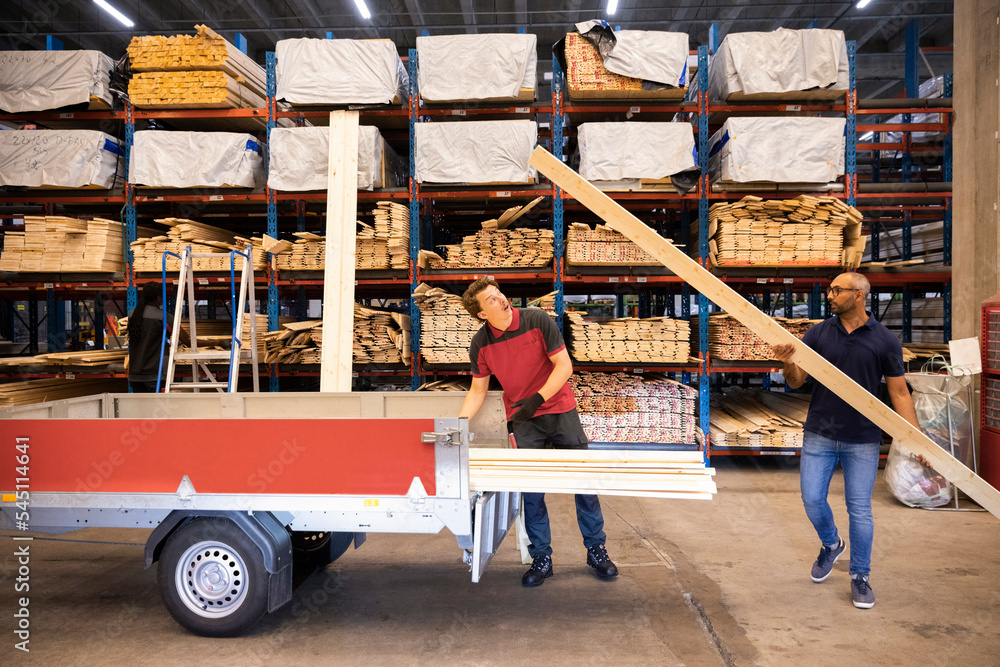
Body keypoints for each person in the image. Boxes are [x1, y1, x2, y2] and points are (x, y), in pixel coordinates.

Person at [773, 272, 920, 610]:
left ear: (859, 295)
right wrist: (787, 363)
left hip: (863, 438)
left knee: (860, 509)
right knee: (812, 499)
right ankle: (831, 544)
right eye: (830, 289)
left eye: (837, 290)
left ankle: (860, 576)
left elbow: (899, 392)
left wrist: (915, 440)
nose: (830, 295)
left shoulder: (884, 340)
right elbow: (797, 382)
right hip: (820, 432)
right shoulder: (819, 333)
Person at [458, 277, 618, 587]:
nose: (501, 299)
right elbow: (478, 390)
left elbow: (564, 366)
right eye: (491, 299)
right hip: (524, 419)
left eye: (499, 293)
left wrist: (538, 399)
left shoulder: (536, 319)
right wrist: (459, 423)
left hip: (559, 410)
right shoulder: (481, 344)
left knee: (583, 482)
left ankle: (596, 549)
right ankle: (541, 556)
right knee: (531, 492)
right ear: (481, 314)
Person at [127, 282, 187, 392]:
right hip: (155, 374)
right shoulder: (163, 317)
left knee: (140, 408)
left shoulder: (132, 315)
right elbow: (186, 340)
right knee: (157, 408)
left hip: (135, 375)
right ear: (159, 297)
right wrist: (216, 342)